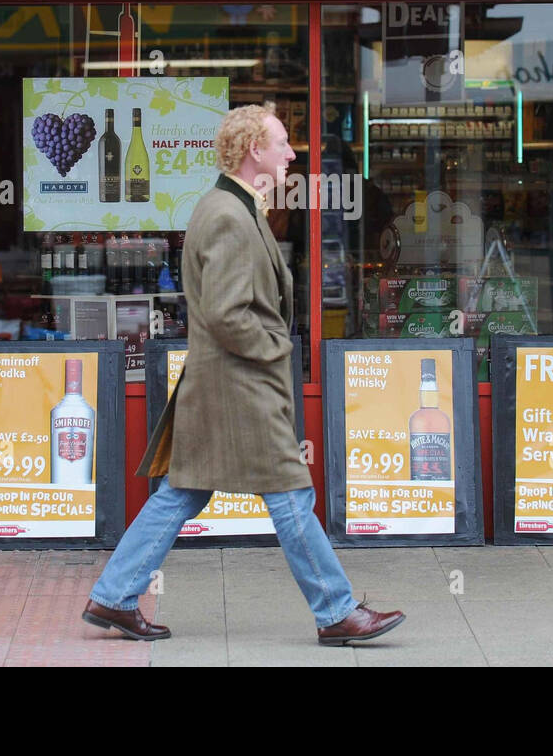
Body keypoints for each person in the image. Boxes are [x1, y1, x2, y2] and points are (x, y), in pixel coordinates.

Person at [83, 104, 405, 646]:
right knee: (289, 491)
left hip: (223, 384)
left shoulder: (233, 206)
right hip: (241, 385)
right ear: (255, 150)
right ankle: (336, 611)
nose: (292, 153)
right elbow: (229, 314)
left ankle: (114, 596)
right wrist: (277, 350)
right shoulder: (230, 215)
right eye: (282, 143)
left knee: (183, 491)